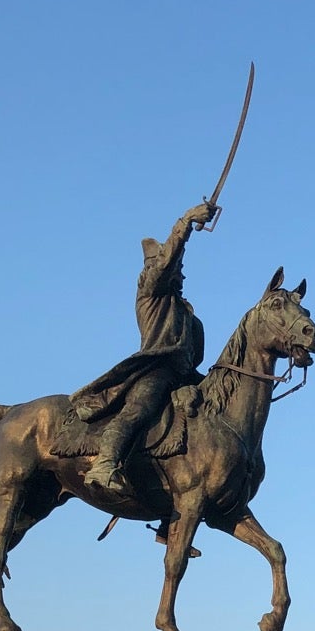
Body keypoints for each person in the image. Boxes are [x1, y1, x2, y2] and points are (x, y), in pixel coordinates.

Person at [78, 199, 219, 499]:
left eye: (180, 269)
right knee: (138, 411)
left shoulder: (189, 316)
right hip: (154, 372)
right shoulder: (150, 292)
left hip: (183, 376)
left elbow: (198, 356)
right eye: (173, 267)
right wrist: (187, 222)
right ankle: (104, 465)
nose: (179, 272)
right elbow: (167, 263)